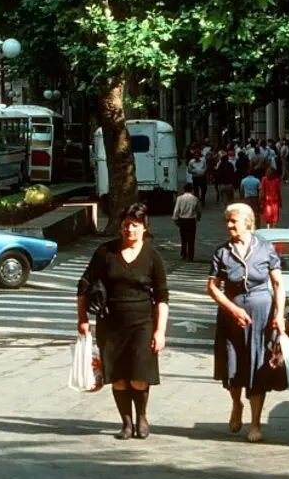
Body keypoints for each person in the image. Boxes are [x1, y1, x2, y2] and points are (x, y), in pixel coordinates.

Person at [77, 203, 170, 440]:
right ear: (120, 227)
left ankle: (141, 417)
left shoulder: (153, 256)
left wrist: (160, 331)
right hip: (111, 322)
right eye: (126, 225)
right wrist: (82, 319)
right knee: (118, 378)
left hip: (142, 323)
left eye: (135, 225)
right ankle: (126, 424)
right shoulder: (105, 252)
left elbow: (162, 297)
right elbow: (84, 285)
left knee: (139, 376)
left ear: (144, 228)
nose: (130, 229)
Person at [207, 203, 287, 443]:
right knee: (233, 366)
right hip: (232, 317)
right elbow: (212, 287)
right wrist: (233, 309)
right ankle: (236, 403)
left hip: (262, 316)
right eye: (227, 222)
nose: (229, 226)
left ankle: (255, 424)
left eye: (234, 221)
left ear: (248, 223)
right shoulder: (222, 252)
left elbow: (278, 284)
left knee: (258, 367)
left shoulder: (265, 249)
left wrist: (279, 315)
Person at [172, 183, 203, 262]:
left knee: (183, 238)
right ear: (192, 190)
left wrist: (175, 219)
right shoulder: (195, 199)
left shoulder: (180, 198)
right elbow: (199, 210)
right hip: (191, 220)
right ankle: (190, 256)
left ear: (184, 190)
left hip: (182, 220)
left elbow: (176, 210)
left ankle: (183, 253)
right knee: (191, 239)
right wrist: (198, 217)